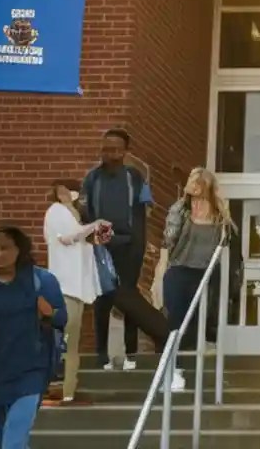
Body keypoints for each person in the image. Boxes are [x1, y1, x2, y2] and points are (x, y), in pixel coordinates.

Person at [0, 226, 68, 449]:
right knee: (1, 438)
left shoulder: (42, 281)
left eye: (5, 248)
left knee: (13, 441)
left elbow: (62, 318)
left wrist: (50, 313)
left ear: (19, 250)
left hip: (31, 371)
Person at [81, 127, 154, 371]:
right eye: (105, 148)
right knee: (103, 298)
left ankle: (130, 354)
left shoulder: (134, 178)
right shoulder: (93, 178)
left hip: (130, 245)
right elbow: (86, 213)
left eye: (114, 149)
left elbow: (143, 214)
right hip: (102, 244)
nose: (108, 153)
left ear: (124, 152)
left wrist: (139, 245)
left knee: (128, 298)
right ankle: (101, 355)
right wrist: (95, 242)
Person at [161, 167, 235, 391]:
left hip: (205, 273)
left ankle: (188, 365)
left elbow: (227, 241)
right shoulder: (180, 210)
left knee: (196, 322)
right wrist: (160, 272)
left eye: (198, 185)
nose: (193, 189)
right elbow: (167, 242)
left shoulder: (220, 214)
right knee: (176, 320)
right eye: (191, 185)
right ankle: (173, 370)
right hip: (179, 269)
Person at [42, 179, 107, 405]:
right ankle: (56, 386)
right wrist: (93, 225)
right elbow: (68, 238)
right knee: (65, 338)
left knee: (72, 342)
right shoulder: (56, 212)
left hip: (78, 286)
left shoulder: (73, 215)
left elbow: (81, 240)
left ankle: (68, 390)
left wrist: (97, 232)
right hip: (65, 285)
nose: (69, 196)